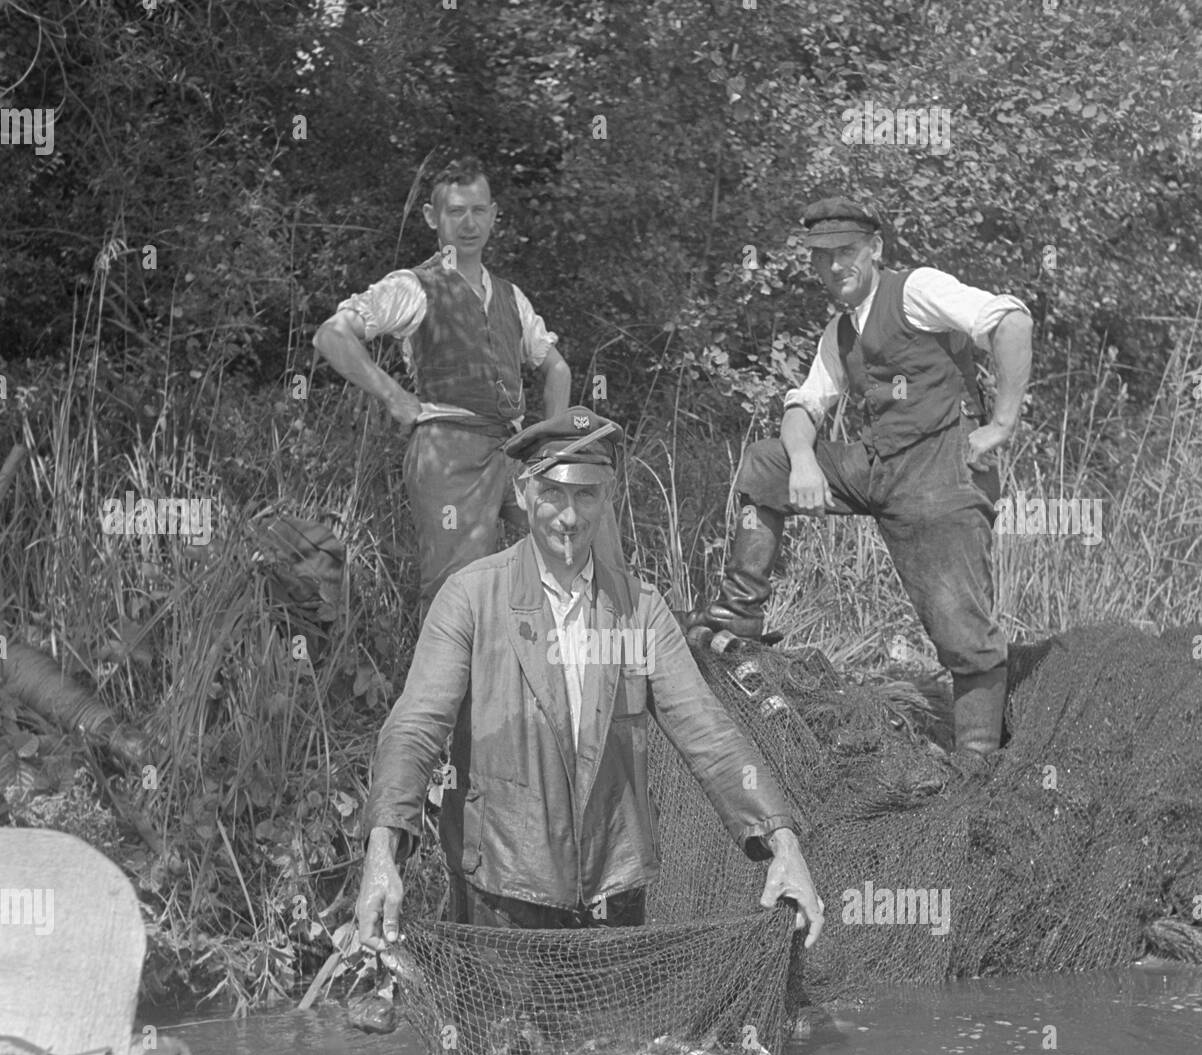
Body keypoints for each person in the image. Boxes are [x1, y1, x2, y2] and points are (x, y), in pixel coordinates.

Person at [354, 407, 824, 948]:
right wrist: (383, 851)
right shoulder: (470, 597)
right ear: (525, 493)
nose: (569, 517)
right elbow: (415, 727)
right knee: (504, 1036)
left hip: (614, 892)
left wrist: (781, 841)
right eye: (554, 493)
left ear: (607, 499)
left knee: (611, 1039)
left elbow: (710, 737)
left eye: (587, 495)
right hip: (501, 890)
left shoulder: (640, 610)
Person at [688, 197, 1034, 759]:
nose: (833, 267)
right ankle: (737, 617)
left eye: (845, 252)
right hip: (877, 467)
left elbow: (1011, 319)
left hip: (940, 471)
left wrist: (1002, 424)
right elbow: (804, 405)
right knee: (767, 462)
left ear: (874, 249)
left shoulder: (916, 289)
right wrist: (802, 461)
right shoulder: (839, 332)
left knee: (963, 634)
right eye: (822, 258)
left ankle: (977, 763)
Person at [314, 156, 572, 612]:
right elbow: (332, 336)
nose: (468, 223)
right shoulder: (414, 286)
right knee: (457, 593)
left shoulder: (511, 296)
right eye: (456, 212)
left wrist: (551, 449)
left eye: (478, 210)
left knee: (577, 537)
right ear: (434, 218)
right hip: (448, 453)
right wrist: (394, 396)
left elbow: (557, 369)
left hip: (514, 453)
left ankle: (569, 667)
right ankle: (442, 684)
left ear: (494, 215)